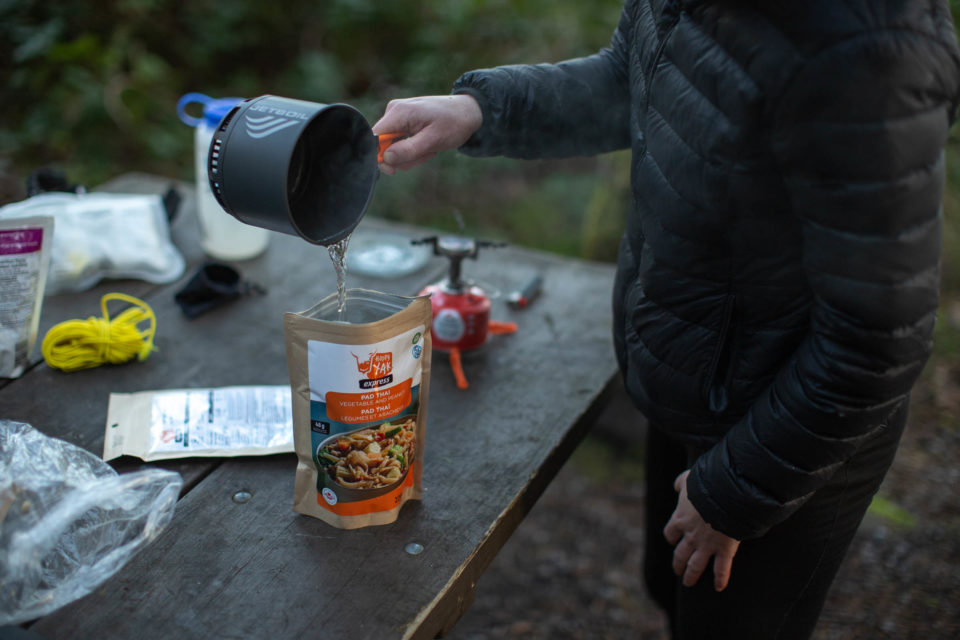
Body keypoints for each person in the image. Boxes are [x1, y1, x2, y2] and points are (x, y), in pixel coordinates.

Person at [372, 1, 960, 637]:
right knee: (671, 588)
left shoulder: (870, 53)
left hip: (790, 425)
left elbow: (875, 343)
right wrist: (479, 110)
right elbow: (632, 78)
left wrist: (731, 492)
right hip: (697, 369)